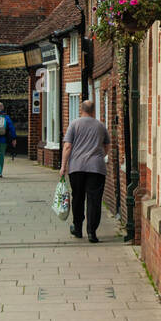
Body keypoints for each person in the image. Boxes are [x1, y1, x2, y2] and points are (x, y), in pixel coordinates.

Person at [60, 98, 110, 242]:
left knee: (78, 198)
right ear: (93, 111)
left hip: (77, 167)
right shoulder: (100, 126)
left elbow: (67, 146)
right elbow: (107, 146)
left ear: (81, 110)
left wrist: (63, 166)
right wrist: (99, 156)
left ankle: (77, 228)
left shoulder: (74, 124)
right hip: (96, 168)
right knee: (94, 200)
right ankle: (92, 232)